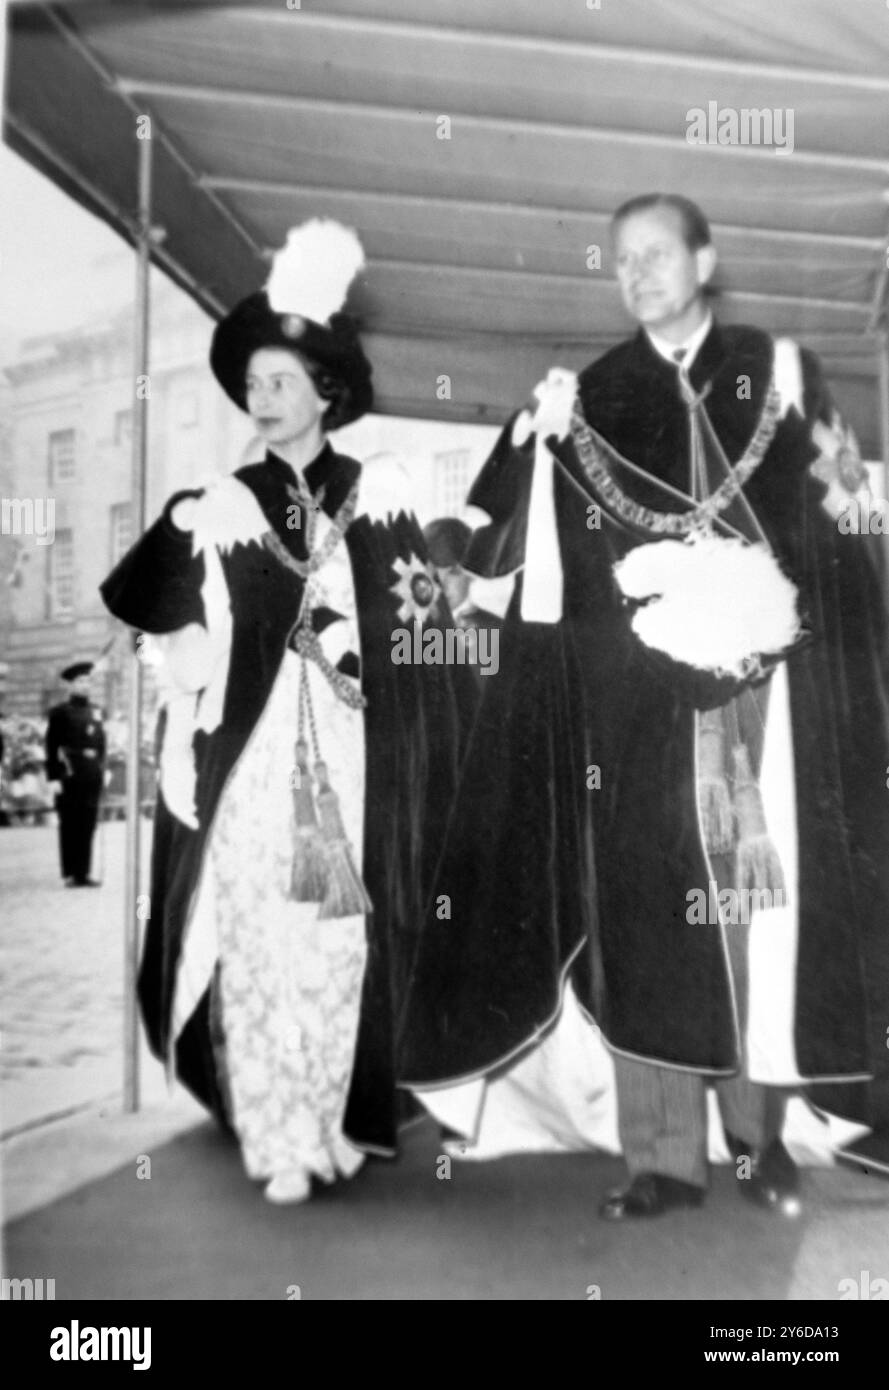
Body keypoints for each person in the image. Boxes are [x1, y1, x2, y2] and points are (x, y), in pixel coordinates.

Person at [397, 193, 889, 1218]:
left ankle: (758, 1144)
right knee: (649, 919)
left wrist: (825, 640)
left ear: (703, 260)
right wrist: (465, 555)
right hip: (639, 713)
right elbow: (513, 533)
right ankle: (661, 1158)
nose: (638, 273)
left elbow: (845, 516)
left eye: (656, 254)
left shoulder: (777, 368)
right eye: (621, 260)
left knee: (760, 909)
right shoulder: (591, 392)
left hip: (769, 695)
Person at [101, 220, 453, 1201]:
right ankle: (275, 1138)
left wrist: (363, 646)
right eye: (252, 383)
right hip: (250, 767)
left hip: (347, 761)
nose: (260, 399)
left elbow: (419, 636)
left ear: (325, 392)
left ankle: (325, 1117)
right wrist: (186, 616)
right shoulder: (219, 501)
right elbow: (152, 621)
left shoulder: (375, 493)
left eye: (280, 382)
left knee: (335, 942)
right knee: (259, 939)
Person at [45, 662, 105, 886]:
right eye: (80, 681)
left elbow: (101, 742)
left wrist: (102, 767)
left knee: (89, 823)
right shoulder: (59, 713)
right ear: (70, 685)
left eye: (88, 681)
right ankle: (70, 873)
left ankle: (84, 872)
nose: (85, 685)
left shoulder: (96, 711)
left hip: (91, 773)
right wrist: (53, 778)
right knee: (70, 822)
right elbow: (51, 747)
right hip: (69, 773)